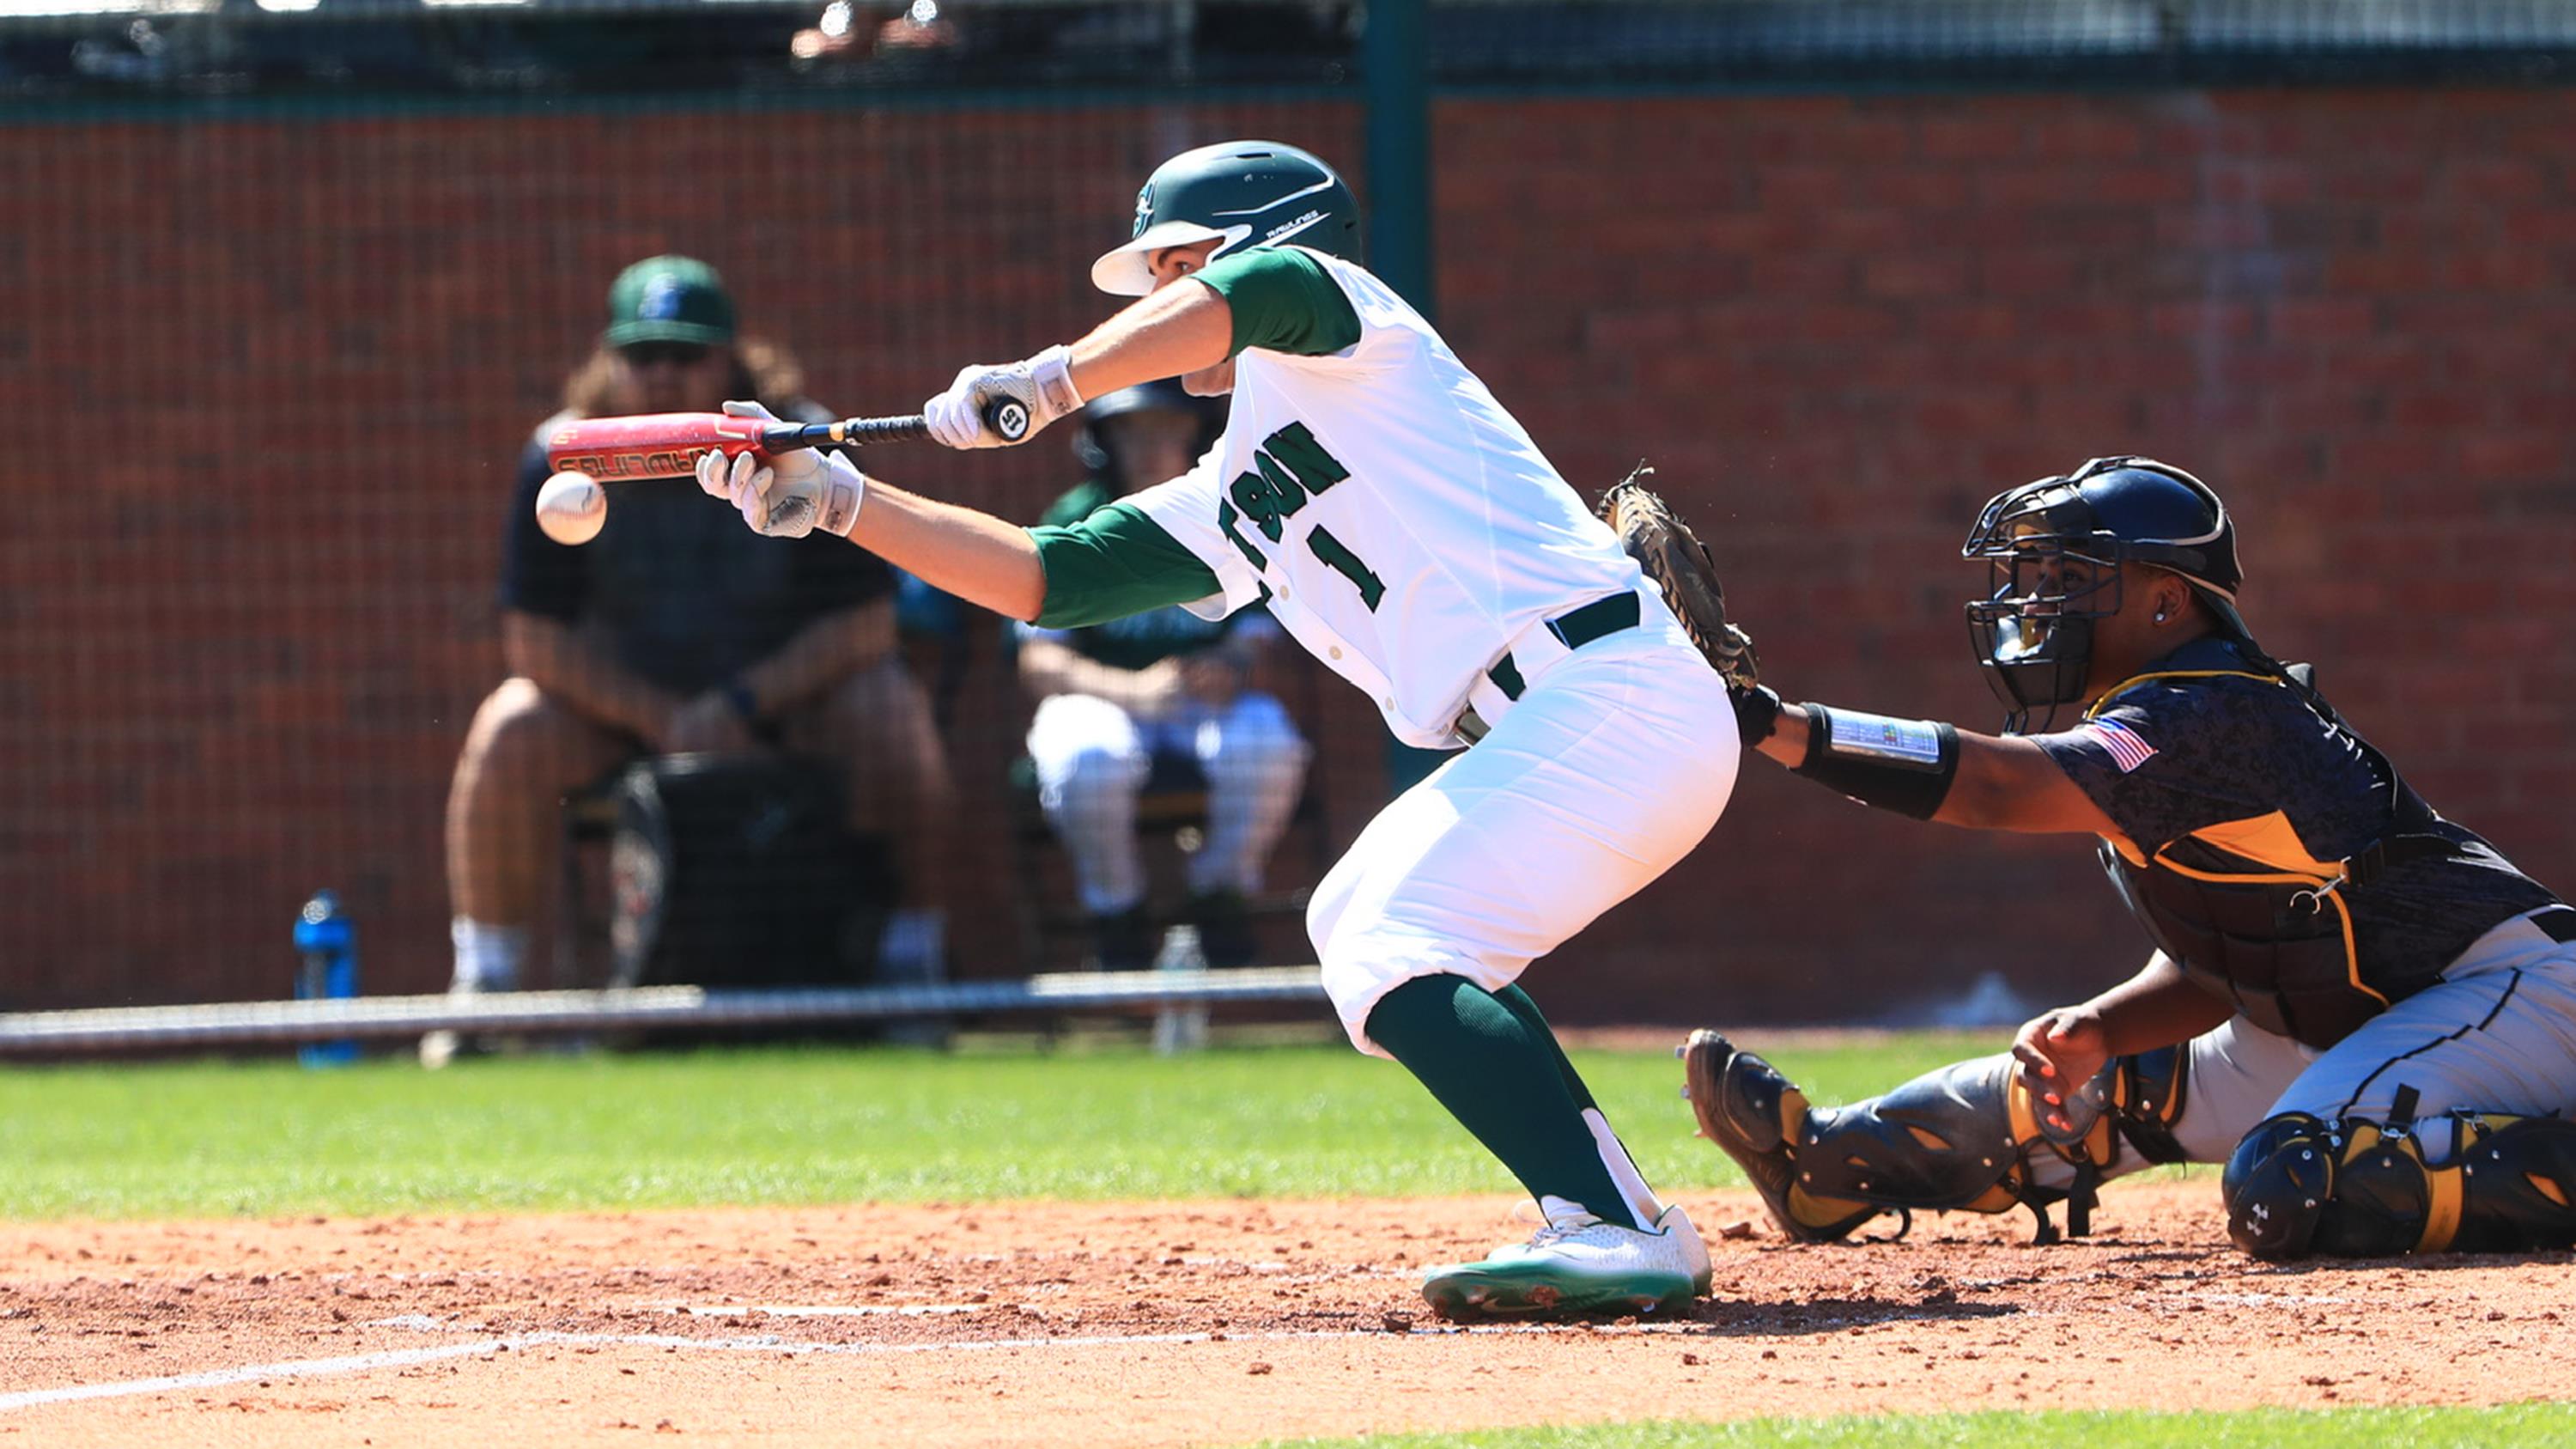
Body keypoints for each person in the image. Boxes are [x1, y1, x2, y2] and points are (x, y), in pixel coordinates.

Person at [690, 140, 1740, 1317]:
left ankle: (1618, 1225)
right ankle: (1608, 1212)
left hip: (1607, 692)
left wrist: (1054, 380)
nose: (1156, 296)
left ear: (1253, 239)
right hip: (1563, 722)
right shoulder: (1240, 466)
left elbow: (1251, 294)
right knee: (1362, 922)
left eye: (1172, 264)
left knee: (1391, 928)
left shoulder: (1348, 318)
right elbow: (1052, 576)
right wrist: (841, 499)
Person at [1680, 456, 2576, 1260]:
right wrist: (2107, 1028)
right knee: (2108, 1087)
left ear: (2166, 599)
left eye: (2077, 578)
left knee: (2292, 1180)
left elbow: (1997, 787)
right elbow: (2246, 954)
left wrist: (1777, 724)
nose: (2044, 603)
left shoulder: (2211, 711)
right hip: (2372, 1013)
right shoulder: (2166, 712)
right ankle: (1827, 1164)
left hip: (2514, 992)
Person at [434, 255, 957, 1065]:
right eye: (642, 356)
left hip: (780, 709)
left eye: (687, 354)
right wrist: (665, 718)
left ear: (731, 360)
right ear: (609, 361)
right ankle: (484, 991)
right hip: (623, 719)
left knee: (889, 705)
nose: (664, 374)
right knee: (510, 723)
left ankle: (913, 971)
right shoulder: (561, 454)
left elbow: (863, 626)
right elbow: (534, 643)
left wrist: (738, 706)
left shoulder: (797, 438)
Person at [1016, 381, 1310, 970]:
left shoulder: (1227, 509)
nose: (1149, 446)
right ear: (1104, 441)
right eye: (1132, 430)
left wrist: (1229, 664)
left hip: (1199, 703)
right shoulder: (1076, 519)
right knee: (1086, 755)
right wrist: (1131, 689)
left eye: (1166, 428)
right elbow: (1039, 661)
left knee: (1268, 740)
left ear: (1196, 435)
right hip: (1102, 698)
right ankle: (1116, 911)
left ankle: (1220, 892)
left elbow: (1257, 638)